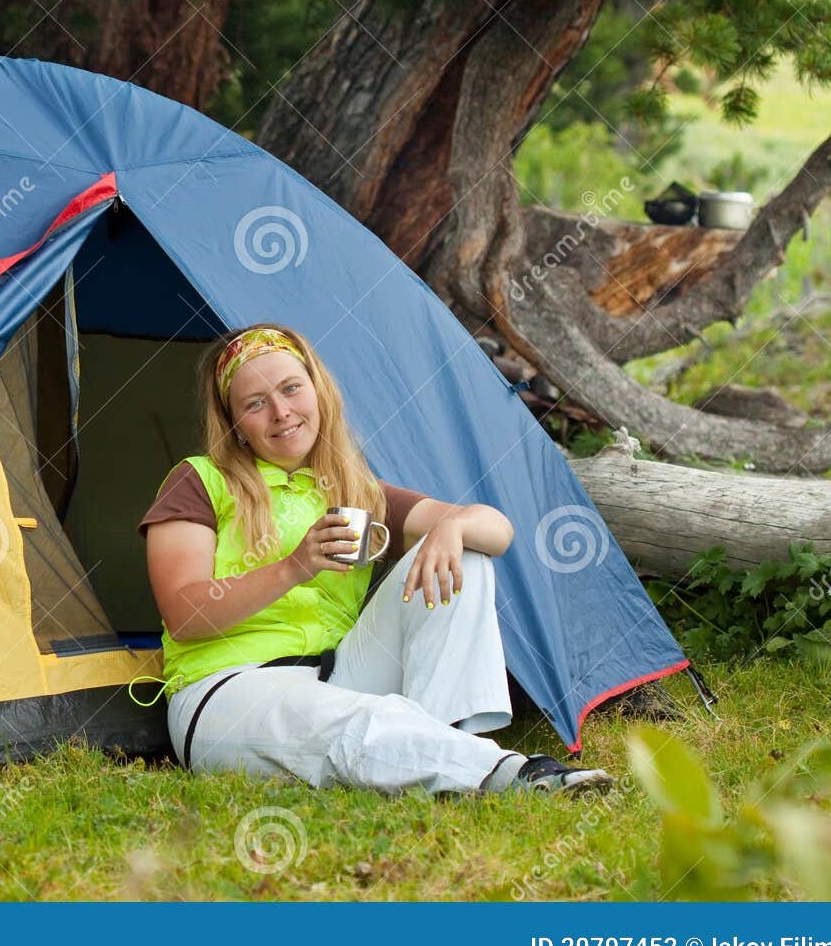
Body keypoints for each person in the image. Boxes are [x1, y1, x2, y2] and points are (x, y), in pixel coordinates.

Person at [136, 323, 613, 796]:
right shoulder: (200, 482)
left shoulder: (353, 488)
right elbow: (184, 615)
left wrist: (451, 526)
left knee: (466, 553)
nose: (281, 412)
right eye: (255, 403)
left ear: (318, 391)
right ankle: (511, 774)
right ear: (236, 424)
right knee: (361, 720)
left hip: (340, 674)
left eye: (291, 388)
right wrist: (293, 567)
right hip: (228, 691)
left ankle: (451, 737)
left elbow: (497, 529)